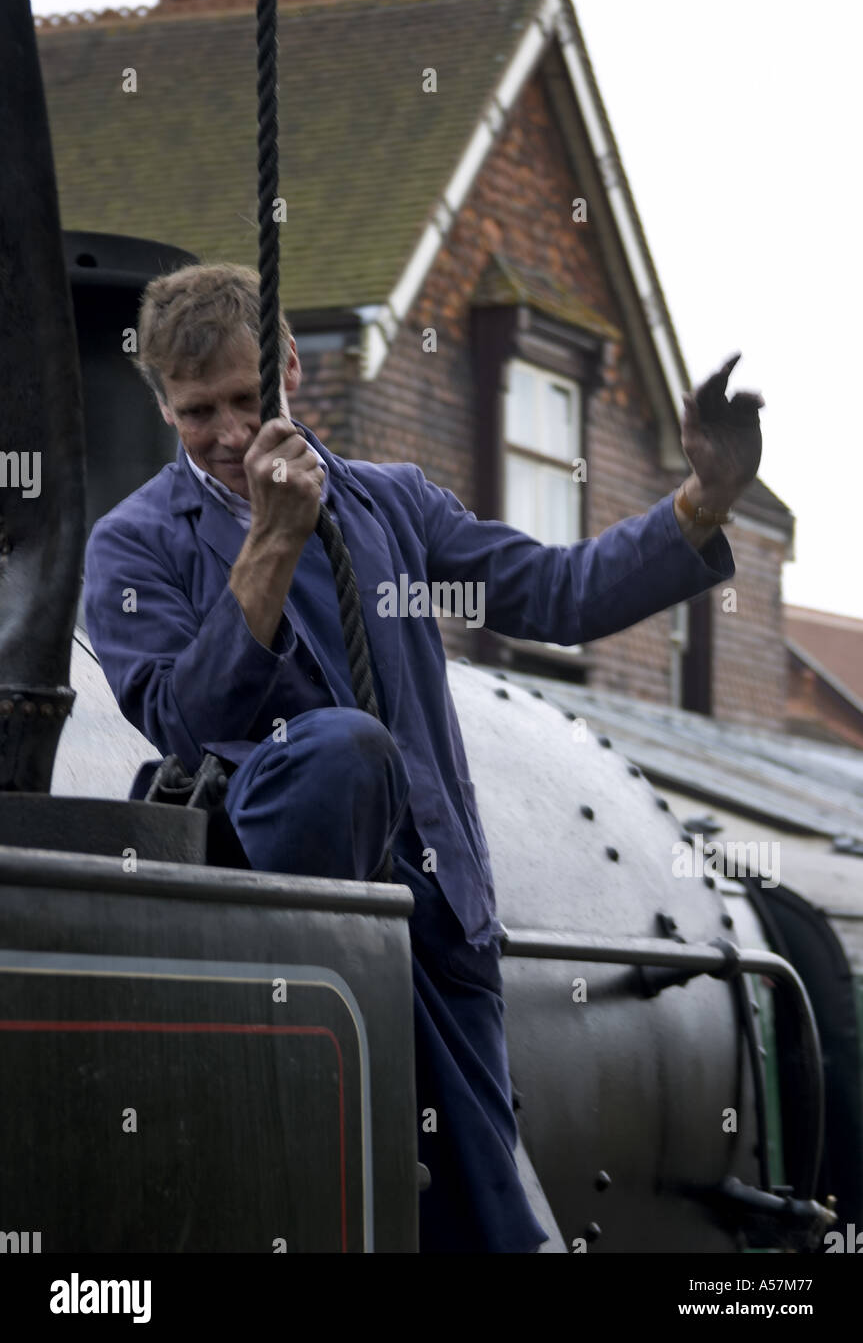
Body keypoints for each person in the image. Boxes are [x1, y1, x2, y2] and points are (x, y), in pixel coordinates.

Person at [84, 263, 764, 1253]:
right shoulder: (133, 545)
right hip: (271, 922)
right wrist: (269, 548)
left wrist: (702, 498)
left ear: (290, 378)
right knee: (340, 753)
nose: (229, 435)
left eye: (245, 399)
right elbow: (185, 720)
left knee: (485, 1221)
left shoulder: (389, 506)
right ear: (160, 404)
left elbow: (553, 593)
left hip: (440, 911)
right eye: (197, 412)